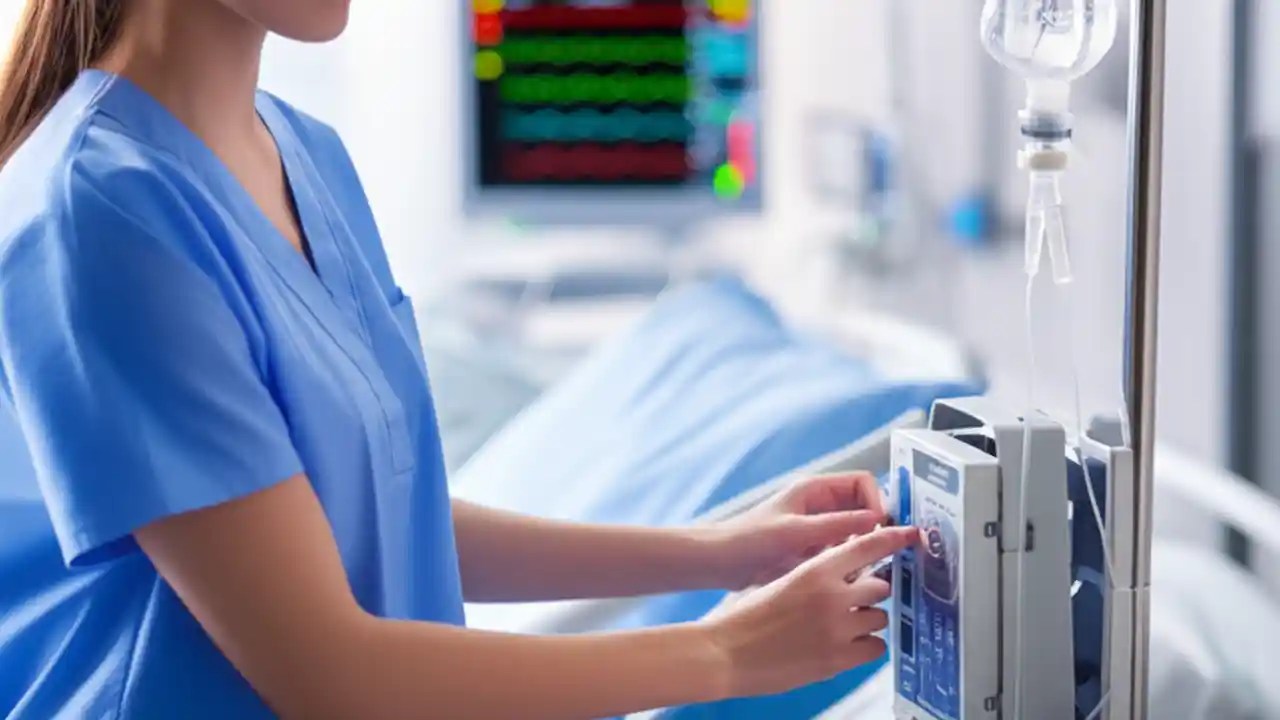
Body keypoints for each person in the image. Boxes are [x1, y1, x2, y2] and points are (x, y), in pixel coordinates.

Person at [0, 1, 919, 718]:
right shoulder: (100, 213)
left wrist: (725, 552)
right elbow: (331, 676)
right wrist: (729, 655)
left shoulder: (301, 152)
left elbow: (380, 518)